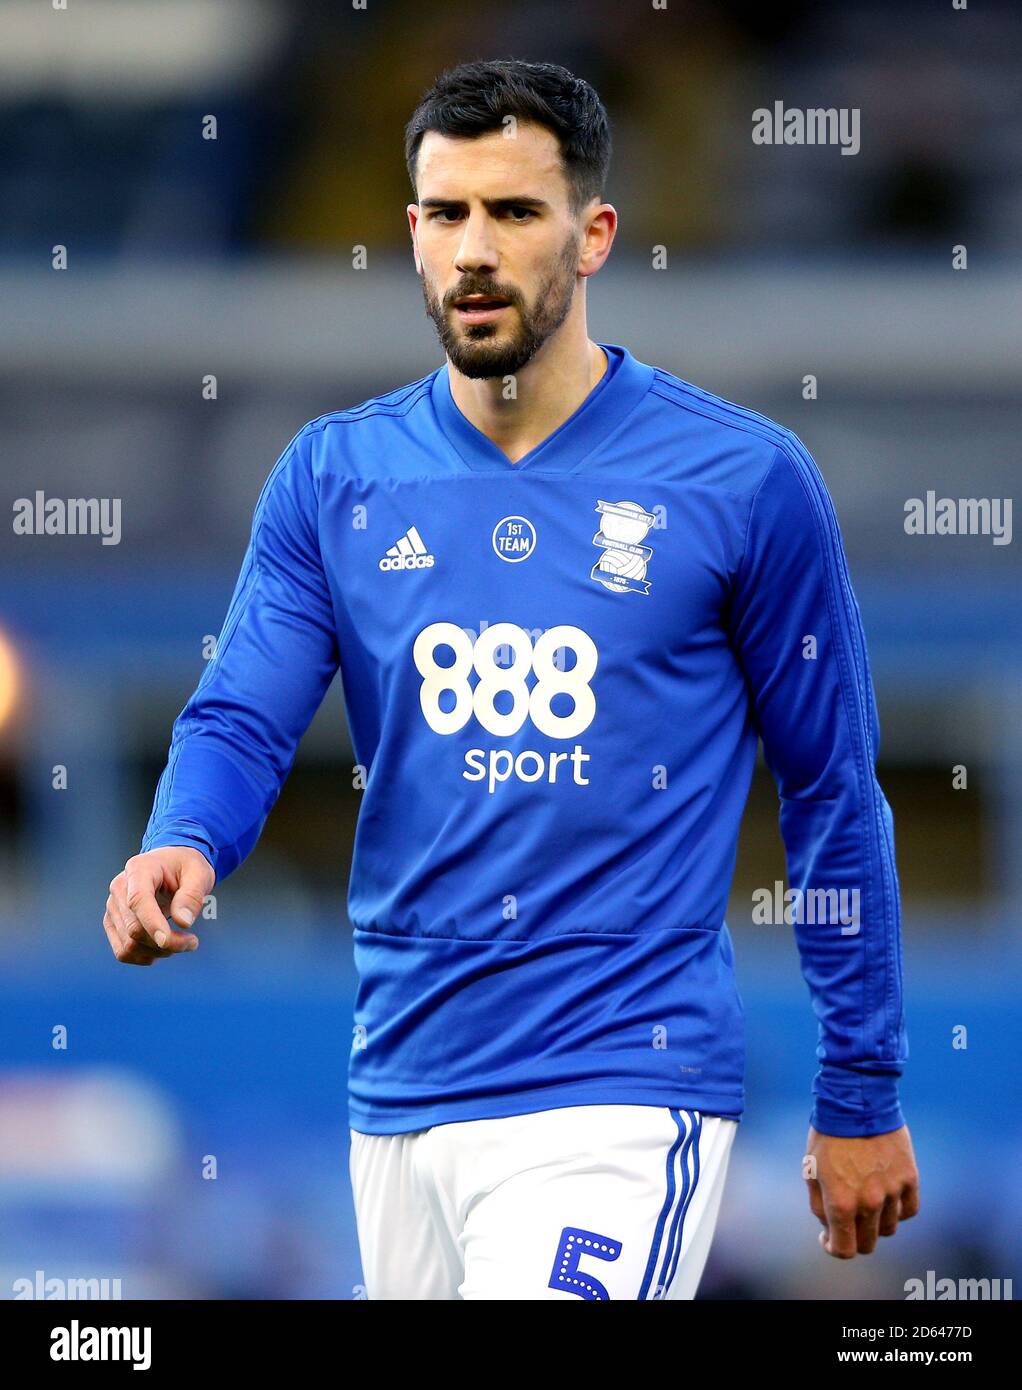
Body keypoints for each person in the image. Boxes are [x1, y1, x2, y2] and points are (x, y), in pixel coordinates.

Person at [103, 59, 919, 1300]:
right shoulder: (335, 477)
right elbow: (242, 712)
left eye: (513, 213)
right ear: (411, 232)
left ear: (591, 236)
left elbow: (832, 796)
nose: (473, 249)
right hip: (402, 1092)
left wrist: (859, 1088)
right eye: (447, 214)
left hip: (619, 1091)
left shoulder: (741, 483)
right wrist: (184, 839)